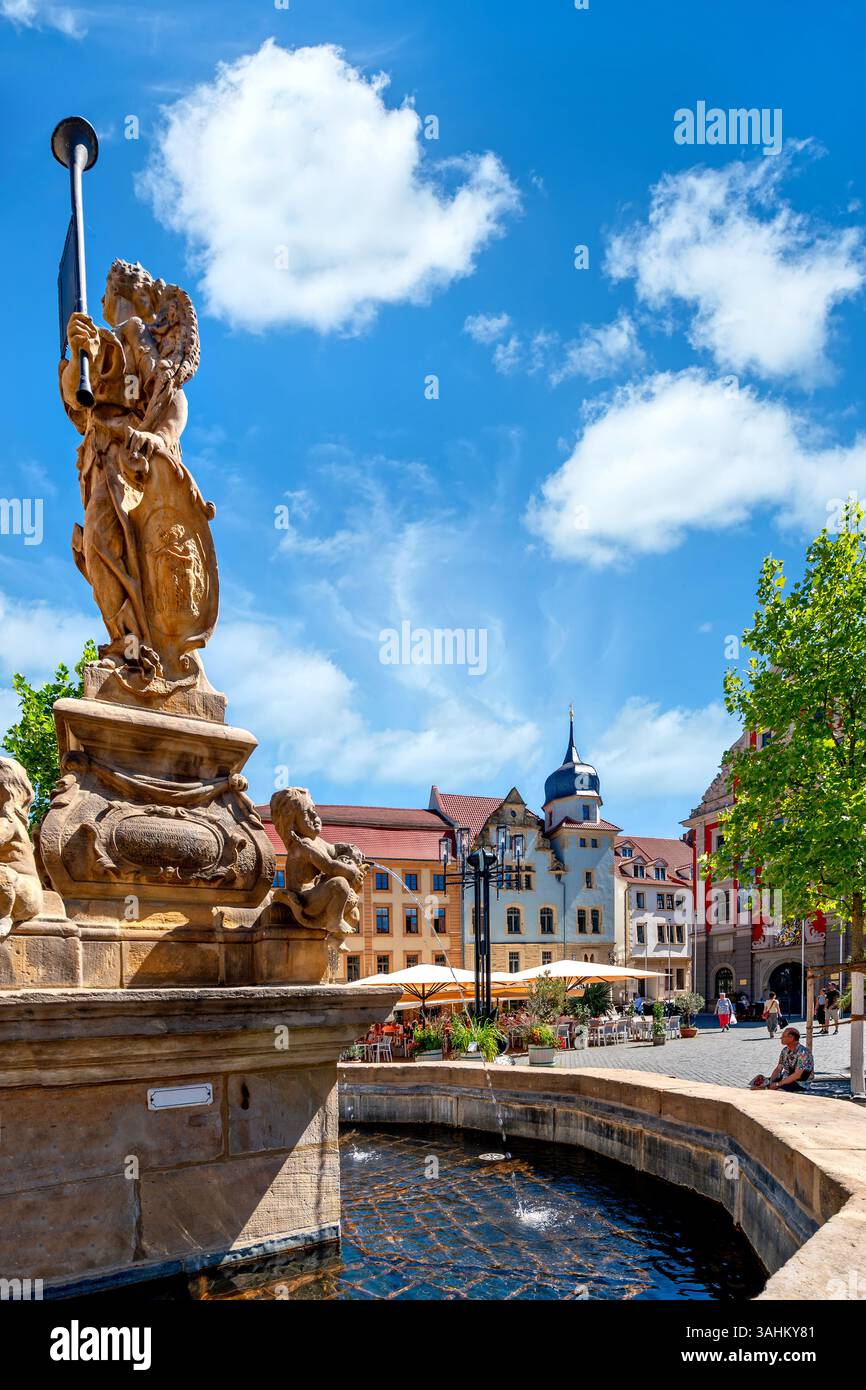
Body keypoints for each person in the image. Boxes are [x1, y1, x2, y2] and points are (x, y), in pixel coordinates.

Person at [762, 1026, 815, 1092]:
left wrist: (777, 1084)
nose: (781, 1038)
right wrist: (771, 1081)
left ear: (791, 1038)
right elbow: (779, 1068)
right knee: (761, 1084)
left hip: (799, 1083)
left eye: (783, 1036)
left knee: (778, 1091)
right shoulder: (785, 1051)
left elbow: (797, 1075)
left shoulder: (803, 1053)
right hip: (786, 1078)